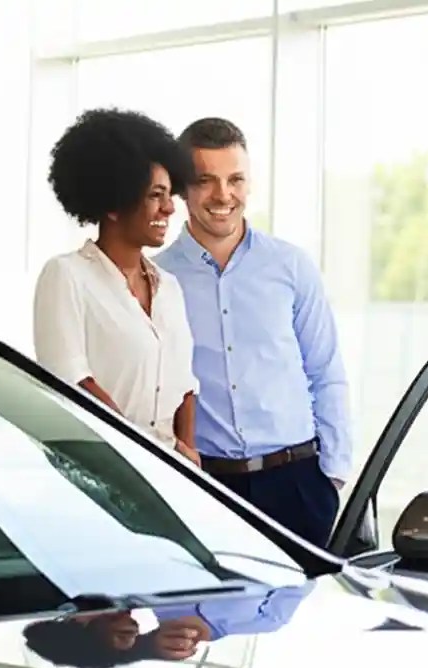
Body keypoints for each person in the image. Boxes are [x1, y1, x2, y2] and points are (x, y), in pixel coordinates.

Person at [155, 117, 351, 548]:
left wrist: (332, 478)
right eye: (205, 180)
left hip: (298, 486)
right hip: (204, 487)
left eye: (235, 179)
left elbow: (326, 372)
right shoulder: (158, 278)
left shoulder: (291, 266)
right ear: (182, 189)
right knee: (203, 617)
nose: (223, 195)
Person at [33, 108, 202, 465]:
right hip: (103, 469)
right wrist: (151, 455)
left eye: (170, 194)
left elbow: (186, 384)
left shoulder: (169, 287)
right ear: (113, 202)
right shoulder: (66, 276)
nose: (170, 208)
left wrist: (187, 455)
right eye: (156, 194)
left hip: (172, 473)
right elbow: (74, 383)